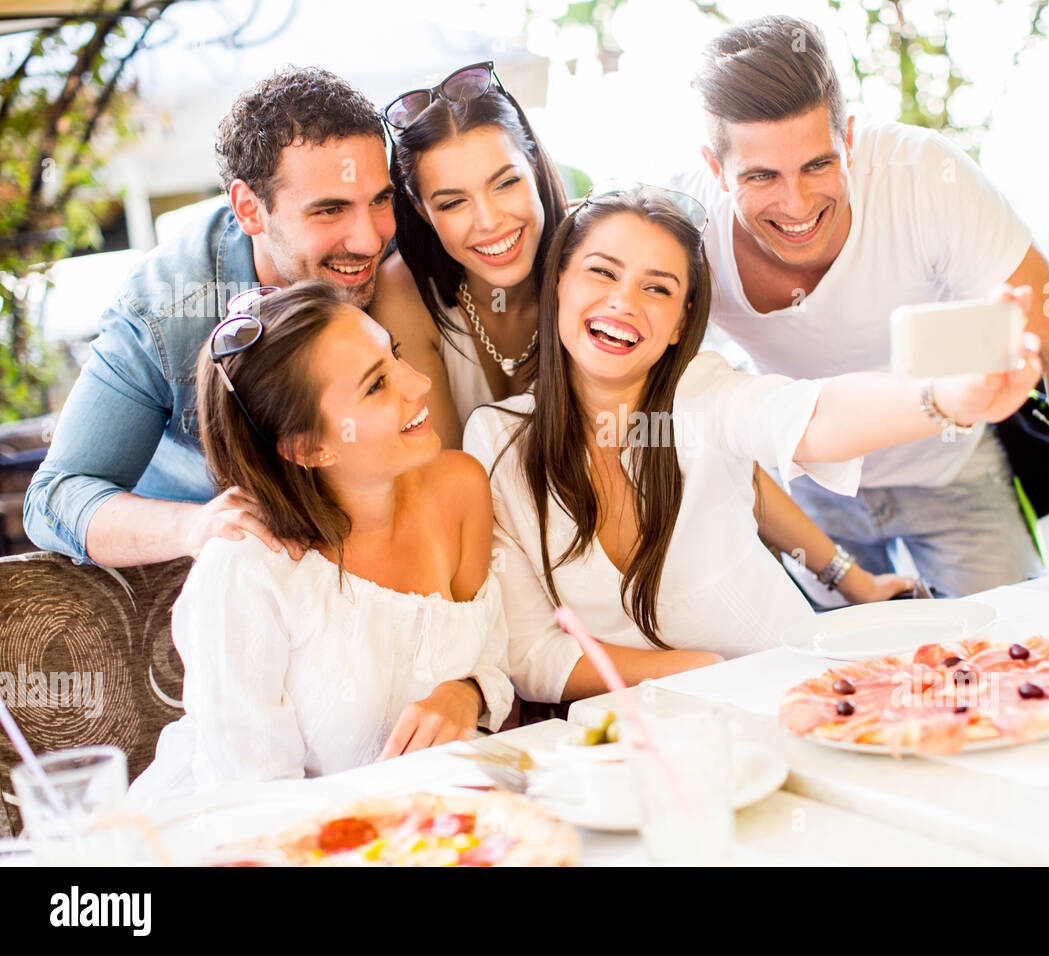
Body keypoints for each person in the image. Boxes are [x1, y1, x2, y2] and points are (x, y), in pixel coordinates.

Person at [462, 187, 1042, 704]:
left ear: (680, 322)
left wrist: (944, 398)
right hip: (652, 744)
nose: (623, 302)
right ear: (558, 279)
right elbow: (532, 654)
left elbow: (808, 414)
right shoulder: (497, 441)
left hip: (806, 696)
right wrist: (696, 672)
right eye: (602, 272)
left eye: (656, 288)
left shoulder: (701, 394)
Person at [368, 63, 912, 610]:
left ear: (535, 165)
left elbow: (712, 433)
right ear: (420, 208)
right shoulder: (409, 294)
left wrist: (849, 578)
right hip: (517, 586)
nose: (489, 221)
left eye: (505, 182)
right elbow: (431, 483)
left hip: (663, 564)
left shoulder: (599, 261)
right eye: (452, 202)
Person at [668, 16, 1049, 596]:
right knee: (839, 678)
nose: (797, 203)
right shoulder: (683, 233)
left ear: (849, 139)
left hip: (951, 469)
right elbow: (677, 404)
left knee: (1016, 647)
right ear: (715, 170)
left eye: (818, 164)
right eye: (761, 176)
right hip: (811, 490)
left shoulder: (925, 176)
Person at [128, 281, 510, 805]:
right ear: (308, 448)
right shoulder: (246, 567)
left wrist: (465, 693)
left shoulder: (461, 487)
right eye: (376, 386)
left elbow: (489, 659)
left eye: (393, 353)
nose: (418, 383)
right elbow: (253, 804)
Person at [24, 68, 396, 568]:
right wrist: (196, 526)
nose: (369, 240)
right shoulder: (166, 310)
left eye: (380, 200)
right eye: (329, 211)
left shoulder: (404, 250)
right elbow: (55, 497)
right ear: (249, 209)